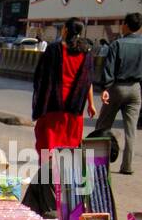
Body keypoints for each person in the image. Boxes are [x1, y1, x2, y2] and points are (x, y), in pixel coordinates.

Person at [92, 11, 142, 175]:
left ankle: (97, 163)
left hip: (117, 87)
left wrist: (105, 88)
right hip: (135, 88)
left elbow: (108, 69)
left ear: (125, 25)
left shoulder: (117, 44)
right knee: (131, 131)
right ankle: (127, 166)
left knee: (103, 125)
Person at [32, 17, 95, 152]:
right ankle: (66, 171)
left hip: (53, 104)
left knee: (47, 143)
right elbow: (87, 81)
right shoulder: (86, 52)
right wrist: (91, 103)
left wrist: (39, 100)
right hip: (75, 106)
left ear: (65, 30)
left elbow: (40, 76)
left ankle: (47, 172)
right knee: (70, 144)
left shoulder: (53, 49)